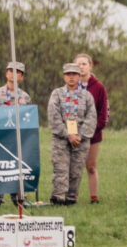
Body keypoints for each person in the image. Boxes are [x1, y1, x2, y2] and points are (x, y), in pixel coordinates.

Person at [46, 62, 96, 205]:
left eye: (74, 74)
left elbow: (91, 117)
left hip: (81, 139)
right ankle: (58, 197)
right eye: (68, 74)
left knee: (76, 170)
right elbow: (53, 116)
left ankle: (71, 198)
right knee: (60, 169)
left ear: (79, 76)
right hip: (60, 138)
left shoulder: (87, 96)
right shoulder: (56, 94)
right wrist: (67, 135)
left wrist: (79, 136)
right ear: (64, 77)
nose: (71, 77)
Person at [0, 62, 30, 208]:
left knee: (17, 166)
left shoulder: (25, 97)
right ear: (6, 74)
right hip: (0, 137)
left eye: (17, 72)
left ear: (22, 76)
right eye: (11, 71)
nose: (13, 74)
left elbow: (28, 118)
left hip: (18, 138)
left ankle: (18, 196)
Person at [76, 53, 109, 204]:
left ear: (90, 66)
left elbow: (103, 113)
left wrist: (92, 130)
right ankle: (72, 196)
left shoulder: (99, 87)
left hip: (93, 135)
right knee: (74, 167)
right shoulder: (70, 86)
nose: (81, 67)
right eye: (78, 64)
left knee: (90, 166)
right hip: (74, 134)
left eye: (84, 64)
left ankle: (94, 197)